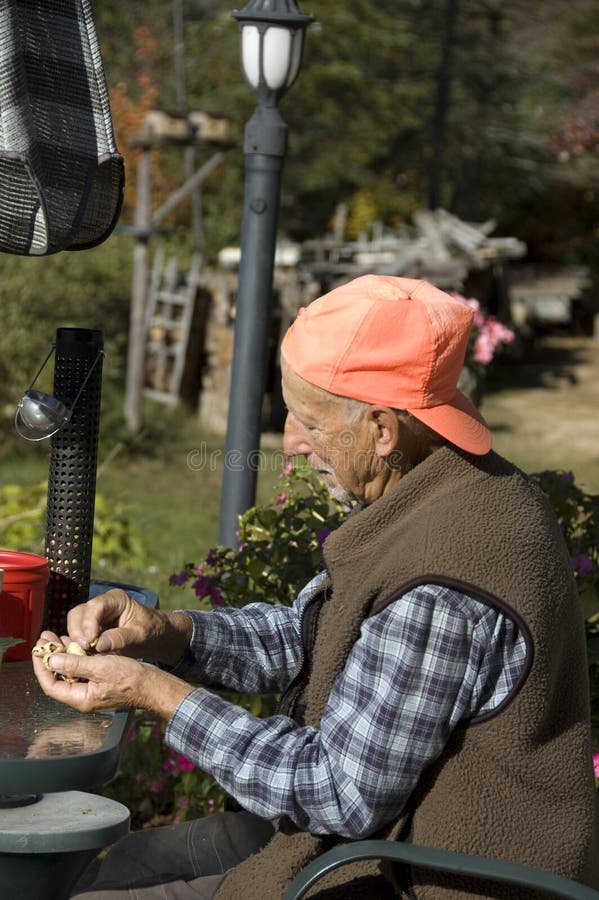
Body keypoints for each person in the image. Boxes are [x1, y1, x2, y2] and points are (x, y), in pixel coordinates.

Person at [33, 275, 599, 900]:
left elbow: (337, 793)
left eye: (310, 422)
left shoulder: (447, 579)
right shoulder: (443, 484)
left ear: (383, 430)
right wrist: (168, 635)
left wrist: (157, 695)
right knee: (115, 863)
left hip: (419, 875)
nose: (292, 445)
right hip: (371, 839)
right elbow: (313, 634)